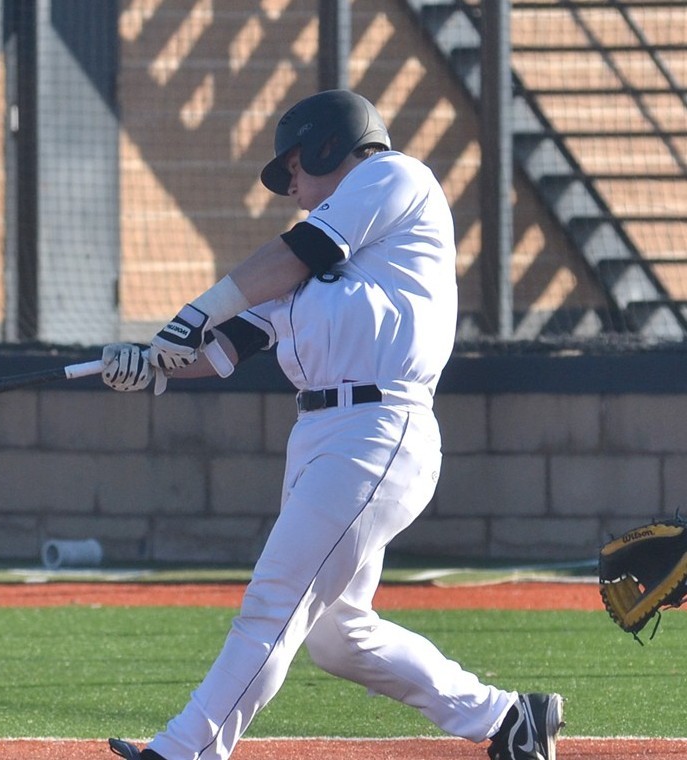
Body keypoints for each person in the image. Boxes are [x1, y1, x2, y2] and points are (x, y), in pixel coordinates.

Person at [101, 90, 564, 760]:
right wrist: (149, 365)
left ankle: (183, 750)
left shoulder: (393, 177)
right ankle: (509, 717)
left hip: (379, 426)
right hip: (320, 437)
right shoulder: (309, 265)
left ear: (328, 144)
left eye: (293, 166)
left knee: (274, 601)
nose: (290, 185)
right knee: (339, 636)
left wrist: (195, 309)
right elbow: (224, 349)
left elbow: (292, 255)